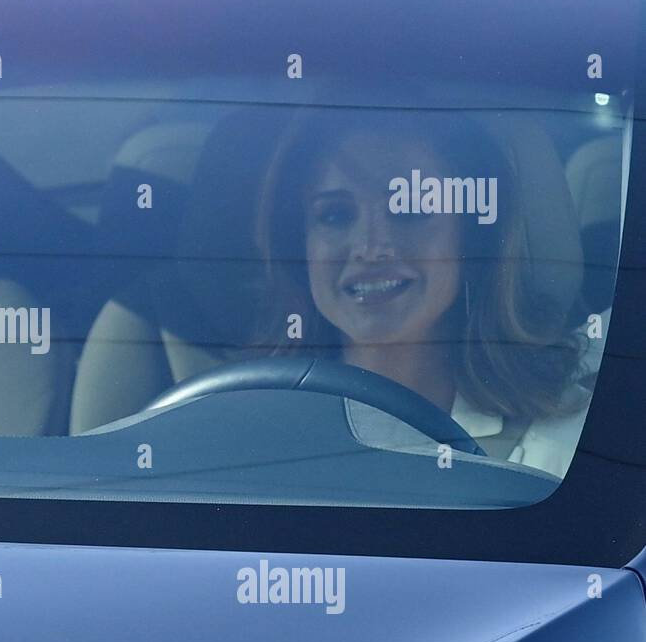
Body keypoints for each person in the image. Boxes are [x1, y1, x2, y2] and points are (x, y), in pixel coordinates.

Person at [250, 108, 594, 477]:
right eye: (335, 216)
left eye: (409, 208)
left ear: (471, 239)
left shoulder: (571, 443)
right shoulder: (244, 435)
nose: (371, 247)